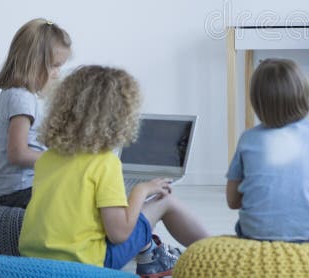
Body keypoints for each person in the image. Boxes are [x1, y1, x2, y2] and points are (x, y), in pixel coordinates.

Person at [18, 65, 209, 276]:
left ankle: (152, 256)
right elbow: (119, 233)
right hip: (86, 264)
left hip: (34, 261)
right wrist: (141, 191)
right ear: (121, 117)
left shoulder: (47, 158)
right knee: (165, 201)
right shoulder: (105, 163)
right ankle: (215, 252)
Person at [227, 58, 309, 242]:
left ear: (256, 101)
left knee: (242, 224)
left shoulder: (248, 139)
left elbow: (232, 201)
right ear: (304, 95)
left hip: (255, 234)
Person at [0, 18, 72, 208]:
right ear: (31, 62)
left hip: (17, 188)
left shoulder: (13, 94)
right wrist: (60, 160)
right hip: (22, 190)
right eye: (54, 65)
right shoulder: (21, 97)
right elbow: (17, 154)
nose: (57, 73)